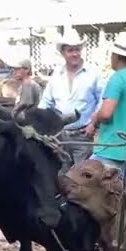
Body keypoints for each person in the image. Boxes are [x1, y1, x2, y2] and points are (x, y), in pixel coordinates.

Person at [39, 33, 102, 165]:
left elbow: (102, 100)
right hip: (59, 135)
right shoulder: (56, 75)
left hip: (83, 135)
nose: (75, 54)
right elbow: (46, 102)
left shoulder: (93, 73)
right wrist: (39, 120)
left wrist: (93, 124)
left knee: (80, 176)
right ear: (63, 53)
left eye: (77, 49)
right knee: (60, 173)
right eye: (70, 50)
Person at [84, 37, 126, 172]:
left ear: (116, 56)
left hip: (111, 148)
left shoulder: (118, 78)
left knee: (79, 182)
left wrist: (95, 117)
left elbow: (106, 113)